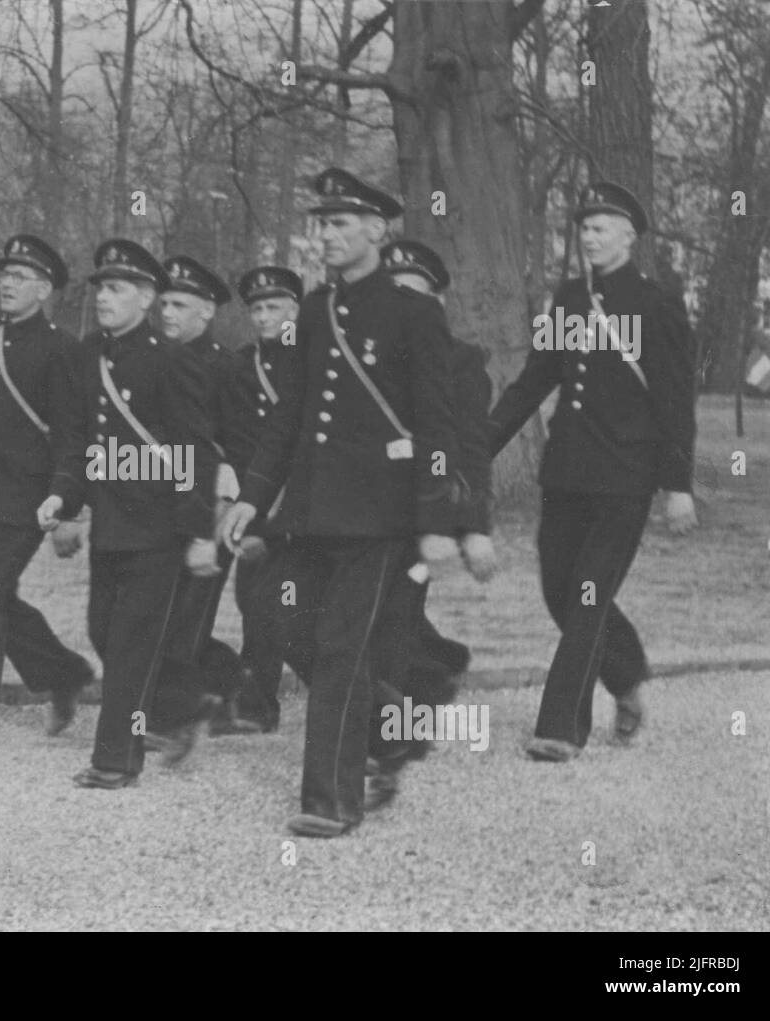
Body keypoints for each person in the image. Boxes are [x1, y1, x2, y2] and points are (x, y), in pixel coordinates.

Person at [218, 168, 462, 838]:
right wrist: (252, 496)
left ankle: (331, 798)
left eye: (339, 223)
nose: (324, 235)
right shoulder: (312, 314)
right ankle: (394, 726)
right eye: (320, 223)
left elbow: (438, 424)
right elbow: (287, 418)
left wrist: (438, 517)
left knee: (342, 646)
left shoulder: (414, 312)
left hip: (381, 518)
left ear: (378, 231)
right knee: (279, 618)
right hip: (310, 514)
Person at [489, 181, 697, 762]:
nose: (590, 236)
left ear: (629, 237)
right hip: (566, 472)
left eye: (603, 226)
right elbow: (536, 379)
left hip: (626, 475)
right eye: (584, 227)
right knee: (561, 591)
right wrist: (480, 445)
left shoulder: (656, 303)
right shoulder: (570, 298)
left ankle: (560, 726)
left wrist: (678, 485)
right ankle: (627, 677)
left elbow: (676, 400)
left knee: (586, 596)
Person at [37, 239, 220, 789]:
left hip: (159, 524)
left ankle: (115, 759)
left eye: (117, 289)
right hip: (111, 523)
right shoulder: (85, 354)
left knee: (131, 641)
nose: (104, 298)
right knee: (103, 632)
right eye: (100, 288)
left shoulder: (171, 360)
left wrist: (198, 530)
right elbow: (75, 439)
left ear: (147, 298)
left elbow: (195, 450)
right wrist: (62, 498)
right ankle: (180, 707)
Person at [0, 234, 96, 746]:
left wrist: (71, 507)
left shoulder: (62, 349)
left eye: (20, 276)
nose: (6, 283)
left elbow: (74, 435)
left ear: (45, 289)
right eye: (4, 274)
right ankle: (63, 672)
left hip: (28, 499)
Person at [145, 254, 256, 761]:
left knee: (187, 616)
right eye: (163, 302)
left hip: (214, 508)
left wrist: (221, 516)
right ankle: (230, 680)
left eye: (179, 304)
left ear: (206, 312)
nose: (167, 312)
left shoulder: (227, 368)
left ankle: (173, 720)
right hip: (160, 506)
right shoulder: (151, 359)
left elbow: (240, 447)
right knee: (162, 613)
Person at [381, 239, 496, 706]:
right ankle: (438, 661)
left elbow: (470, 449)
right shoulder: (359, 355)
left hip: (422, 505)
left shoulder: (461, 362)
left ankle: (391, 728)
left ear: (438, 303)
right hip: (357, 502)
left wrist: (472, 527)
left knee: (395, 605)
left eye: (413, 293)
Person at [215, 265, 304, 736]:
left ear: (297, 311)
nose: (265, 317)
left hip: (308, 504)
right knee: (255, 600)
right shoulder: (240, 366)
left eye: (276, 307)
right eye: (258, 308)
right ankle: (257, 704)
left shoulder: (316, 361)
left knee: (285, 607)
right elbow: (233, 439)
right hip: (256, 501)